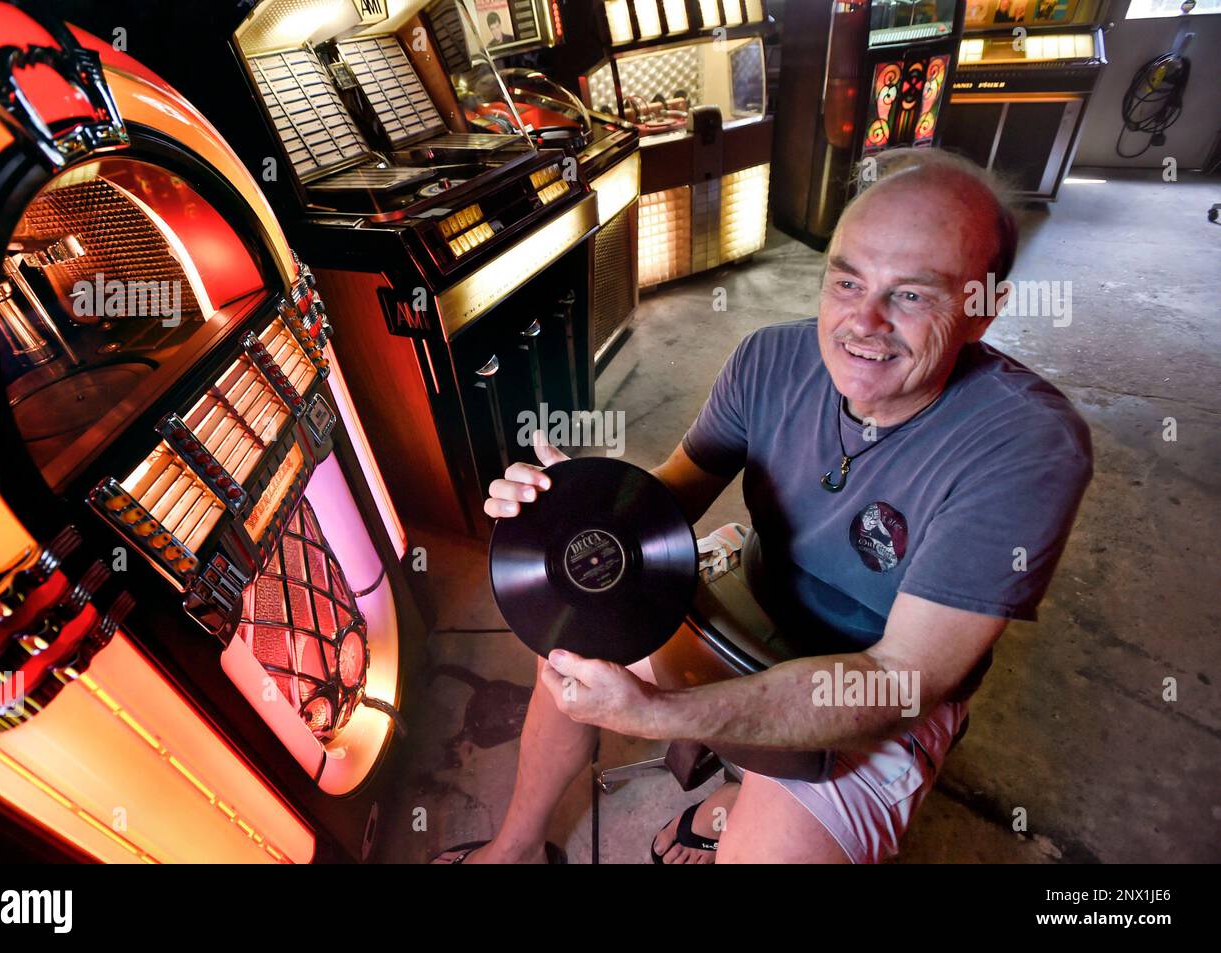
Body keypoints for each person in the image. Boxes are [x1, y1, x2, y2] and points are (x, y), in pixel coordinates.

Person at [435, 147, 1092, 864]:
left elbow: (900, 679)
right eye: (847, 281)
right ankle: (514, 847)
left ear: (982, 310)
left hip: (876, 681)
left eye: (912, 294)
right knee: (569, 649)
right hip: (751, 593)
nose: (863, 322)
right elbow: (674, 490)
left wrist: (661, 713)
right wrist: (575, 513)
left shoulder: (1027, 447)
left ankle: (738, 796)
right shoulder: (769, 358)